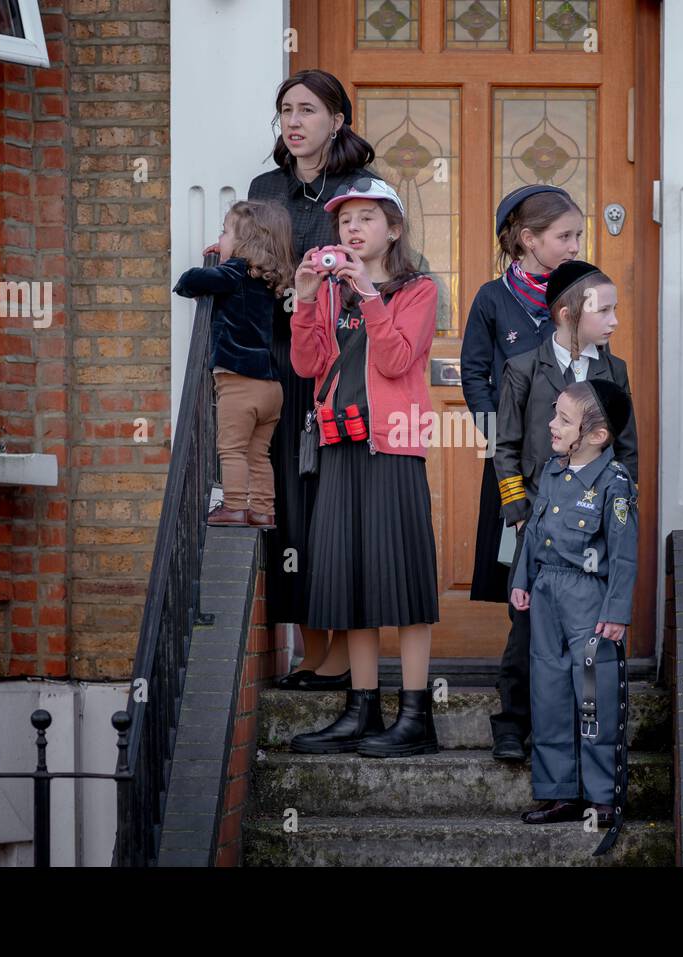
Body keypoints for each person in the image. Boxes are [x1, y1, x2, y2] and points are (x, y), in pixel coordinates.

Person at [287, 177, 441, 757]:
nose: (352, 228)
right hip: (339, 441)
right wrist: (306, 297)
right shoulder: (330, 291)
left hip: (393, 445)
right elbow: (307, 364)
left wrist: (370, 297)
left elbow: (399, 358)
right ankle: (361, 710)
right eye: (345, 220)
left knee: (400, 579)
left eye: (367, 219)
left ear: (393, 229)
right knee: (349, 580)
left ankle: (416, 716)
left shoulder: (418, 289)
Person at [246, 69, 377, 691]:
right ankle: (310, 647)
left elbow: (386, 266)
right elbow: (254, 266)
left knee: (336, 504)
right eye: (285, 111)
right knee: (291, 508)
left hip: (341, 363)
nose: (293, 122)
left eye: (306, 110)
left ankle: (347, 651)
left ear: (336, 120)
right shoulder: (265, 188)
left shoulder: (363, 190)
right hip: (279, 357)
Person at [490, 259, 638, 764]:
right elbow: (505, 447)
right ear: (570, 313)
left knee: (584, 633)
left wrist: (615, 505)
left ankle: (581, 728)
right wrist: (516, 508)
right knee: (526, 622)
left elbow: (627, 451)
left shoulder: (613, 371)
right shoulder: (524, 369)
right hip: (534, 519)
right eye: (606, 310)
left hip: (591, 526)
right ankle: (512, 723)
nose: (615, 320)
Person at [460, 185, 584, 763]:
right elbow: (475, 376)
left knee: (571, 599)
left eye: (578, 236)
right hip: (516, 479)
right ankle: (513, 720)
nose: (575, 245)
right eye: (566, 236)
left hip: (578, 477)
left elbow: (598, 378)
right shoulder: (491, 299)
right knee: (526, 599)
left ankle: (564, 720)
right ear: (529, 240)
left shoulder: (582, 296)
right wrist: (504, 441)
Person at [510, 379, 638, 854]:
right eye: (555, 416)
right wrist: (521, 580)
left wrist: (618, 610)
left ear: (597, 435)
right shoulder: (552, 473)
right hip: (546, 593)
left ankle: (602, 796)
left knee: (591, 696)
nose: (552, 425)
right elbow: (534, 529)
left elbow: (624, 554)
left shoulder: (614, 483)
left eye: (563, 419)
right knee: (546, 691)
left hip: (589, 601)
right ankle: (558, 791)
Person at [173, 201, 293, 528]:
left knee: (232, 449)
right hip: (271, 387)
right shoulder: (267, 280)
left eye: (225, 232)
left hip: (239, 384)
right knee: (258, 454)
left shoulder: (235, 271)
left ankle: (236, 506)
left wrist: (210, 265)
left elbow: (192, 281)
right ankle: (263, 510)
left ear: (244, 242)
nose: (220, 238)